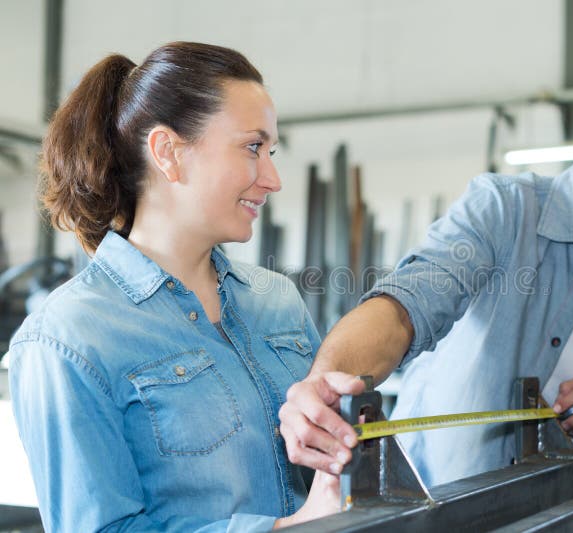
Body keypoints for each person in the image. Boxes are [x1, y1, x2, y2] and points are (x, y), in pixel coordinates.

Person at [278, 96, 573, 487]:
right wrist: (326, 382)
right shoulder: (503, 211)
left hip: (565, 503)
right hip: (437, 490)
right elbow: (404, 309)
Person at [8, 42, 340, 531]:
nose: (272, 179)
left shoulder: (278, 301)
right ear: (168, 153)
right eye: (253, 147)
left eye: (272, 152)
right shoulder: (67, 340)